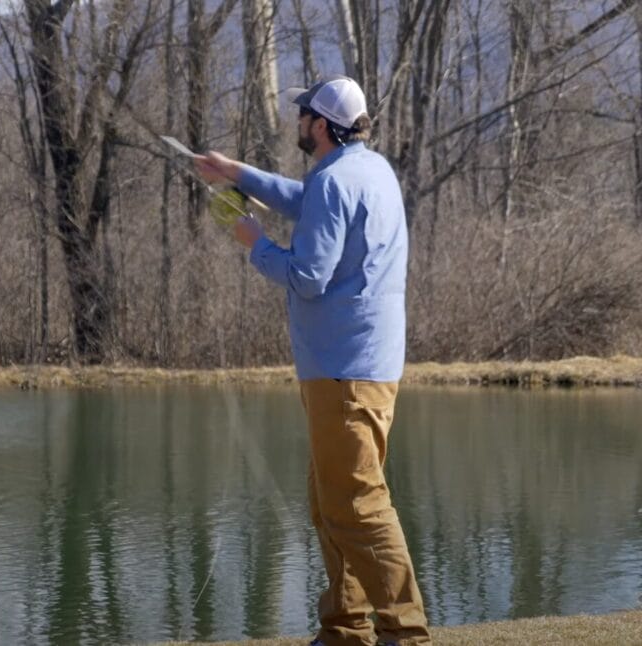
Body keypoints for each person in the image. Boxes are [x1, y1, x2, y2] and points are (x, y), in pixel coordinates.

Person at [195, 75, 432, 646]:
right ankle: (345, 628)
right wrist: (237, 174)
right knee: (331, 499)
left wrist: (253, 240)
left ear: (321, 127)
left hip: (343, 371)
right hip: (362, 366)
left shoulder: (334, 183)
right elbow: (305, 199)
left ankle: (407, 632)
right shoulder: (369, 170)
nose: (298, 122)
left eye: (304, 115)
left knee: (356, 502)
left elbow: (305, 278)